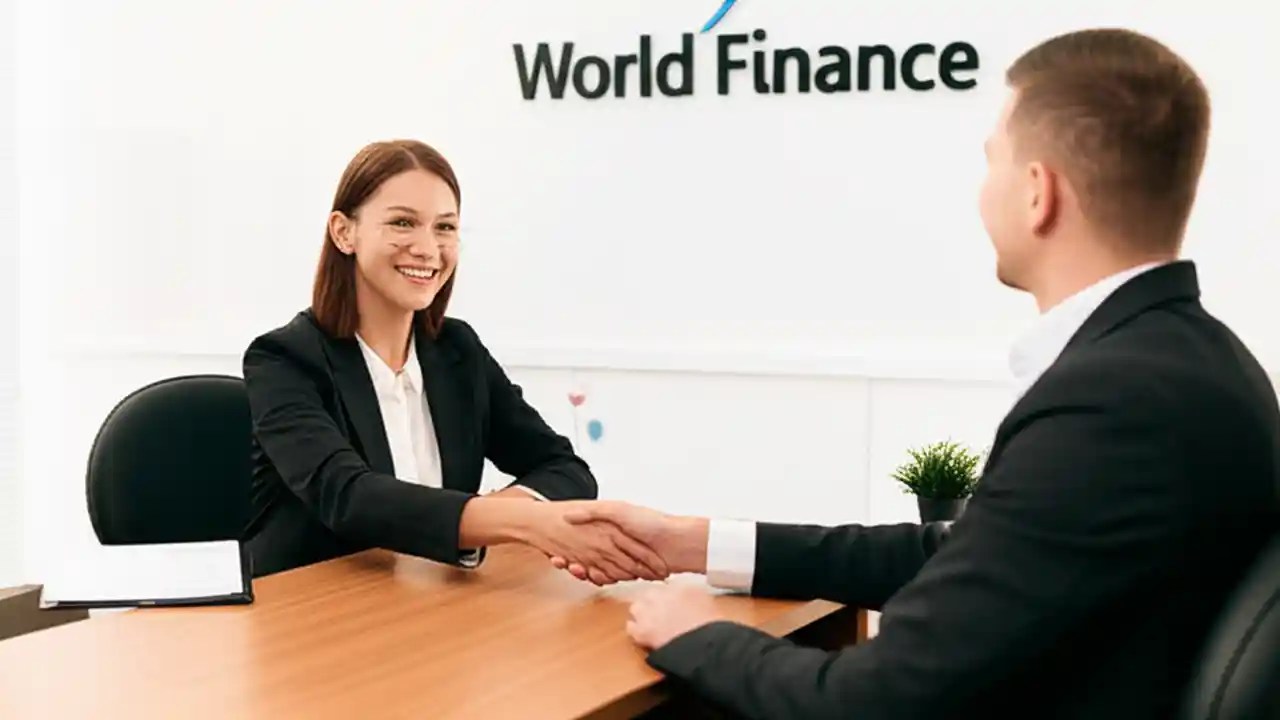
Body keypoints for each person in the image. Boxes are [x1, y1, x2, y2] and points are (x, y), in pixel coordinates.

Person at [560, 28, 1280, 718]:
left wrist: (697, 634)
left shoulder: (1114, 402)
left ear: (1038, 192)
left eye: (991, 159)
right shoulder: (1193, 363)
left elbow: (870, 703)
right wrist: (692, 543)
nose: (979, 190)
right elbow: (964, 558)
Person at [242, 139, 665, 582]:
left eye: (444, 228)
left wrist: (504, 513)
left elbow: (564, 469)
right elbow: (349, 497)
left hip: (433, 602)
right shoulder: (284, 359)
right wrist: (524, 522)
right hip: (311, 613)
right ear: (344, 232)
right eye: (403, 223)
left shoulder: (457, 350)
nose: (428, 249)